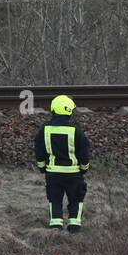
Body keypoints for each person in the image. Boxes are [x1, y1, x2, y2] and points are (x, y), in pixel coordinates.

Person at [35, 94, 91, 232]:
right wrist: (84, 169)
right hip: (73, 174)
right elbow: (84, 153)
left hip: (53, 174)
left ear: (53, 110)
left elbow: (39, 150)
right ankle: (74, 226)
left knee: (54, 199)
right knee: (76, 199)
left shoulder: (45, 129)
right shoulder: (76, 130)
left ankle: (55, 225)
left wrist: (42, 167)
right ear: (69, 111)